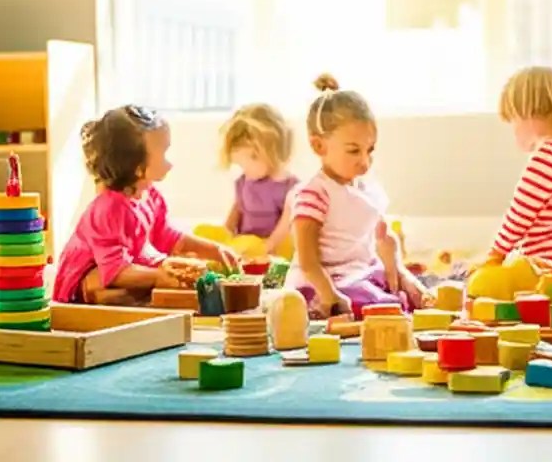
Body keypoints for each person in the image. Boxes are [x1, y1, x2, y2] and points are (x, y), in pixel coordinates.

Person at [52, 105, 240, 305]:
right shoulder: (108, 209)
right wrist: (158, 276)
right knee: (118, 293)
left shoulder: (150, 196)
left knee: (179, 270)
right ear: (137, 167)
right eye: (164, 153)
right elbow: (114, 271)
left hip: (126, 265)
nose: (170, 163)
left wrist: (214, 250)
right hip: (85, 281)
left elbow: (165, 235)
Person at [284, 74, 428, 317]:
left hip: (359, 273)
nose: (365, 161)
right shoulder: (314, 193)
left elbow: (383, 236)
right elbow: (308, 261)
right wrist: (330, 295)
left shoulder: (365, 190)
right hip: (322, 283)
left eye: (370, 150)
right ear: (319, 146)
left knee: (406, 295)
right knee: (376, 304)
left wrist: (401, 273)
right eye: (354, 151)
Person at [483, 66, 552, 267]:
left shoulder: (546, 157)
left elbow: (519, 216)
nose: (513, 130)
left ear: (530, 116)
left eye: (514, 120)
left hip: (551, 266)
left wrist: (494, 255)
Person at [219, 103, 298, 258]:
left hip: (275, 246)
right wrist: (225, 234)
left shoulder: (287, 186)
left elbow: (286, 222)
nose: (245, 171)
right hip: (248, 242)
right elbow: (237, 209)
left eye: (251, 160)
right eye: (241, 165)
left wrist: (268, 245)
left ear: (271, 153)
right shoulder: (244, 181)